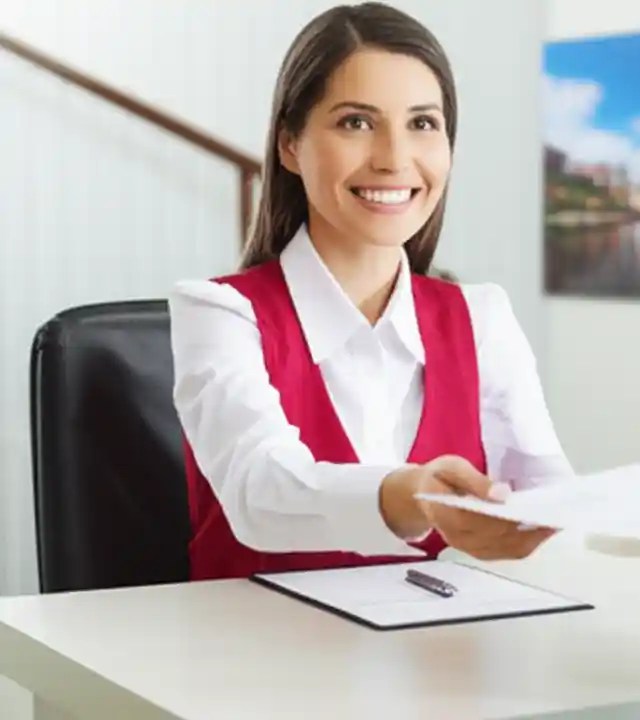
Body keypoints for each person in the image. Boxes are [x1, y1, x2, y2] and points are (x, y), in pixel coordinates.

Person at [171, 2, 568, 580]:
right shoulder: (222, 313)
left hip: (440, 655)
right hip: (256, 657)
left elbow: (547, 488)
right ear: (289, 144)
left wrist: (553, 516)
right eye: (357, 122)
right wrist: (408, 495)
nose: (394, 159)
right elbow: (260, 489)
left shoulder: (482, 316)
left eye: (422, 124)